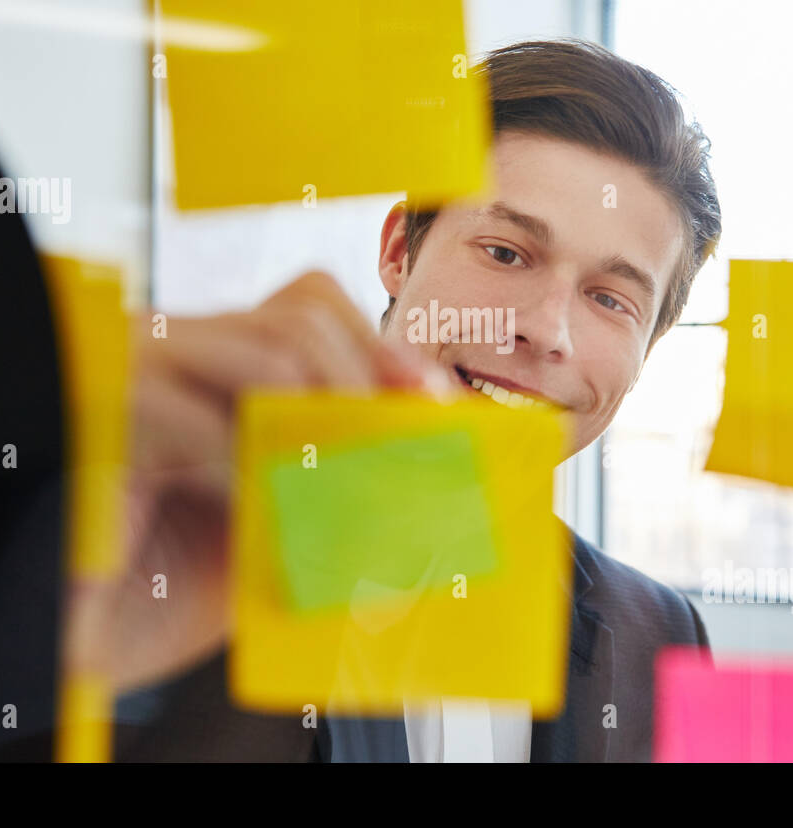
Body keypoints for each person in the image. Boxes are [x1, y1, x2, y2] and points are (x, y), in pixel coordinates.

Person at [85, 40, 723, 762]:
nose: (547, 330)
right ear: (398, 252)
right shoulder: (176, 552)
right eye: (505, 252)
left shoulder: (658, 640)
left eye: (610, 299)